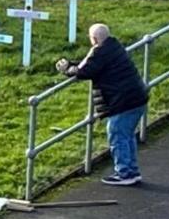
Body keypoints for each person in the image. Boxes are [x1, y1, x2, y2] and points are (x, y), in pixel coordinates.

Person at [55, 23, 150, 186]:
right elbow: (93, 64)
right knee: (127, 136)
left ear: (94, 38)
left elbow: (85, 71)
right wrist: (73, 65)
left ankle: (125, 173)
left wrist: (66, 69)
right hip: (136, 98)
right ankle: (131, 171)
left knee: (118, 135)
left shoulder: (100, 51)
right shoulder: (114, 47)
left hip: (123, 102)